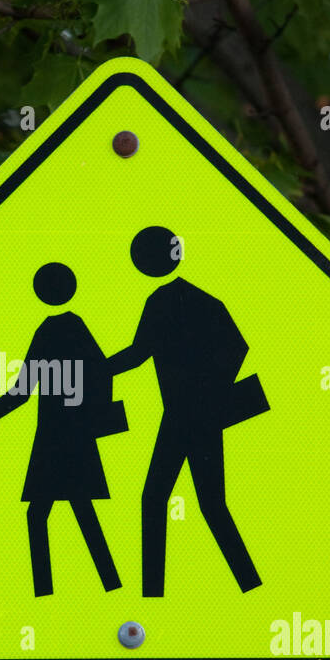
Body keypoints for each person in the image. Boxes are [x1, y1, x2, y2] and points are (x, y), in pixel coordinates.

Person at [110, 226, 266, 597]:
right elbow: (237, 347)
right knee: (207, 504)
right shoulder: (199, 299)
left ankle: (154, 594)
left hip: (186, 415)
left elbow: (137, 353)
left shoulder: (167, 300)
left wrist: (96, 368)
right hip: (192, 415)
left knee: (161, 500)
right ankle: (247, 583)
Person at [0, 262, 126, 597]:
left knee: (45, 515)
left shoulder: (51, 331)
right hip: (68, 436)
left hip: (57, 439)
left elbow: (22, 389)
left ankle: (53, 591)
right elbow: (102, 372)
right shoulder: (70, 328)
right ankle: (107, 584)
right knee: (72, 511)